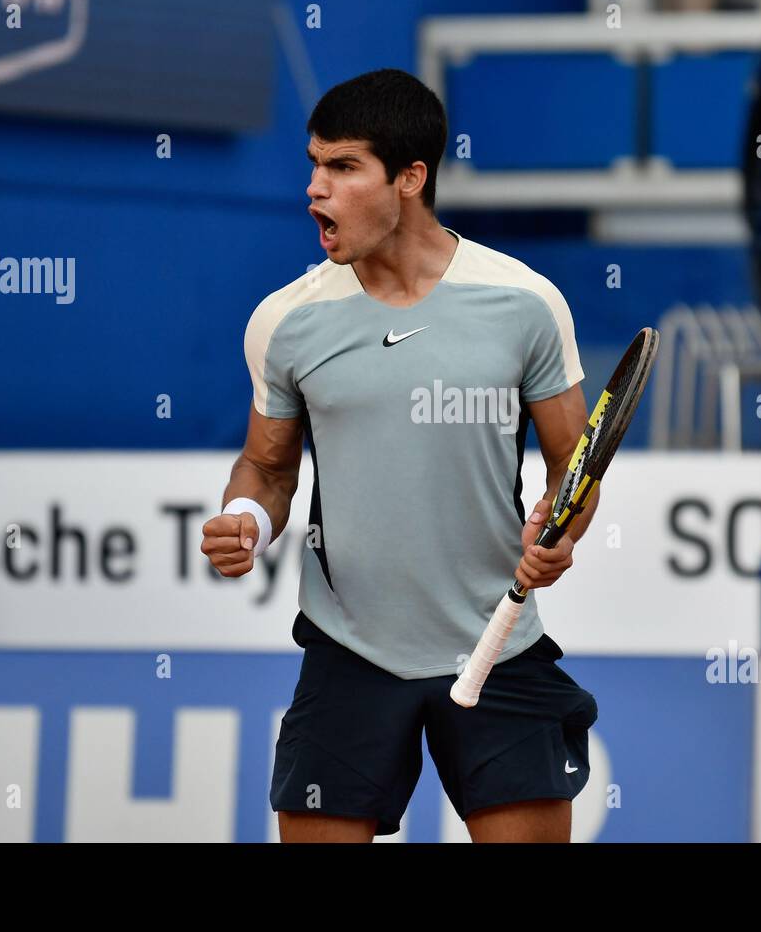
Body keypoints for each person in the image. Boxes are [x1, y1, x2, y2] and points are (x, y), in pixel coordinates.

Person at [201, 68, 601, 843]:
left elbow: (571, 469)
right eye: (313, 164)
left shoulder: (526, 303)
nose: (315, 189)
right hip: (348, 651)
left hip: (497, 646)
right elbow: (270, 466)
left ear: (411, 178)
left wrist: (563, 529)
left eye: (343, 167)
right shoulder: (284, 322)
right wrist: (246, 517)